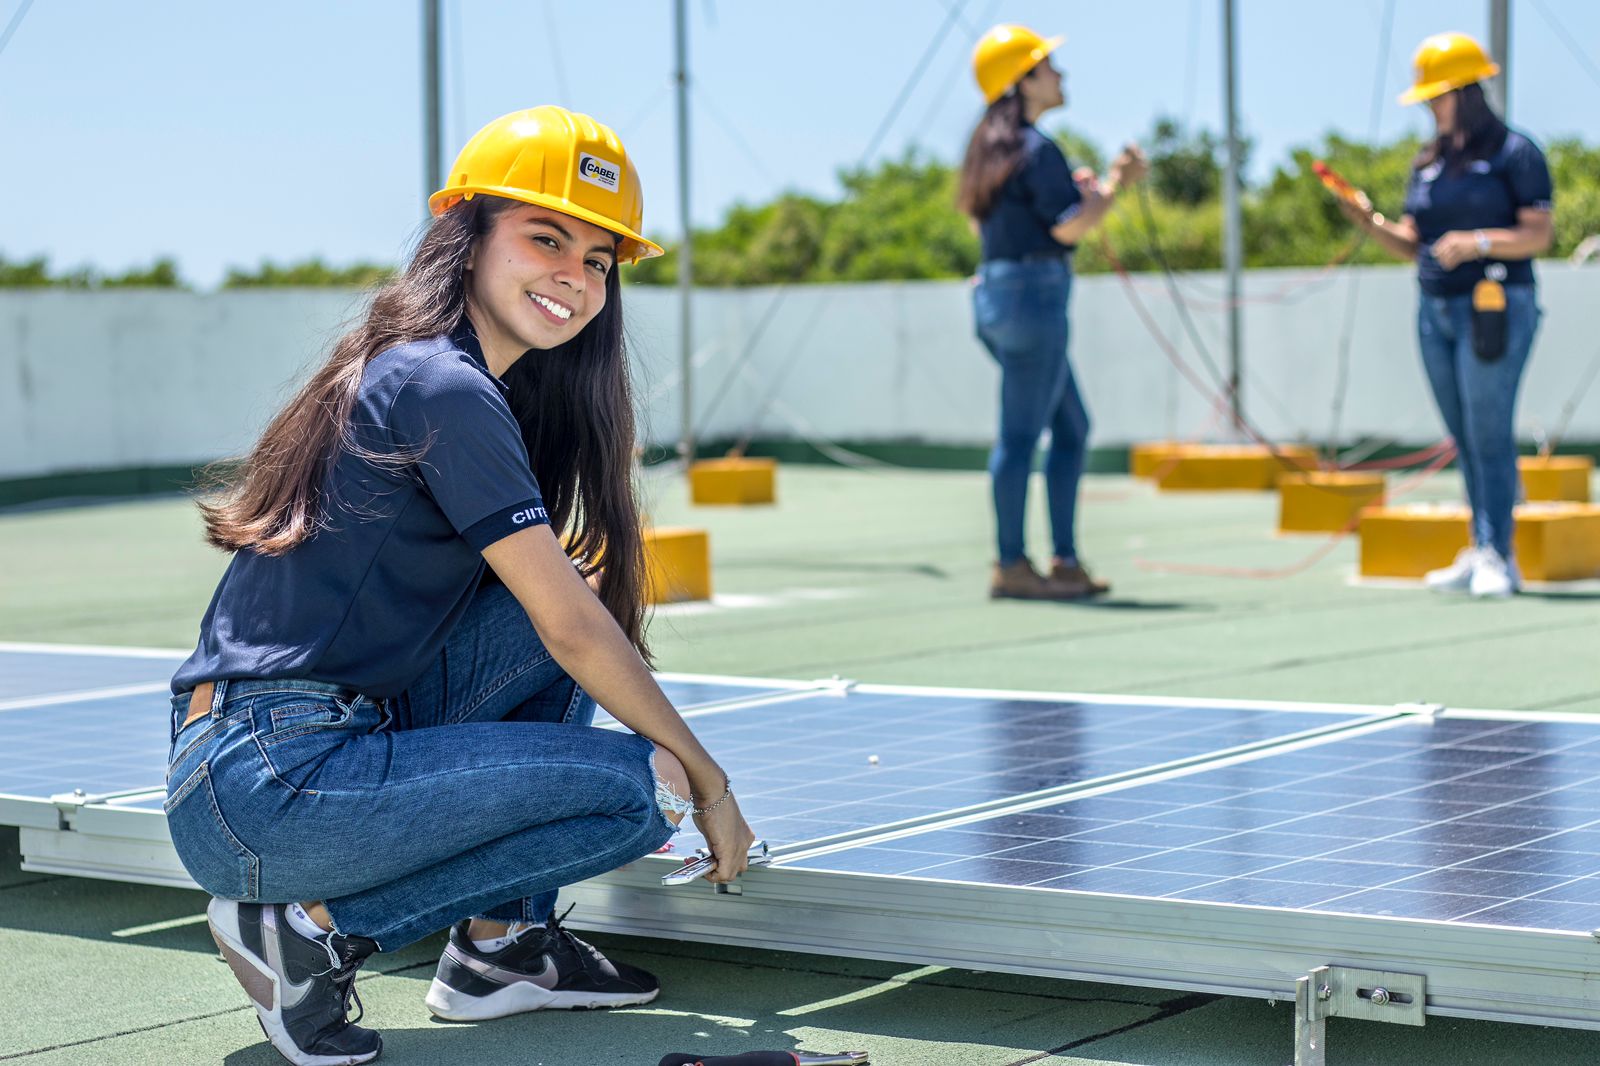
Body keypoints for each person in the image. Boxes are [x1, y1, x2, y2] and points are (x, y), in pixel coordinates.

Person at [165, 106, 757, 1066]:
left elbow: (559, 620)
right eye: (545, 237)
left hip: (283, 748)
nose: (574, 275)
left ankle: (501, 951)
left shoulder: (443, 378)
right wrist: (709, 781)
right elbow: (570, 629)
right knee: (634, 795)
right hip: (269, 778)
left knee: (573, 597)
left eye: (600, 259)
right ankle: (310, 931)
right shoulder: (440, 384)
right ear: (467, 234)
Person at [1334, 32, 1553, 598]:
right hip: (1434, 311)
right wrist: (1367, 221)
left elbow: (1539, 234)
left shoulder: (1515, 152)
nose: (1430, 107)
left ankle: (1498, 554)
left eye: (1438, 96)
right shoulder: (1429, 162)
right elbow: (1415, 241)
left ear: (1467, 91)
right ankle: (1481, 543)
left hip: (1495, 309)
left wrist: (1478, 241)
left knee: (1489, 432)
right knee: (1463, 434)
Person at [957, 24, 1147, 602]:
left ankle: (1062, 561)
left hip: (997, 297)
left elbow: (987, 223)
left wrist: (1080, 195)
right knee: (1021, 436)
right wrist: (1114, 186)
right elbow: (1067, 226)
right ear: (1024, 79)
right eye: (1048, 66)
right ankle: (1013, 564)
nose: (1060, 74)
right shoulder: (1037, 148)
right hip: (1034, 300)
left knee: (1070, 427)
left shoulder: (988, 147)